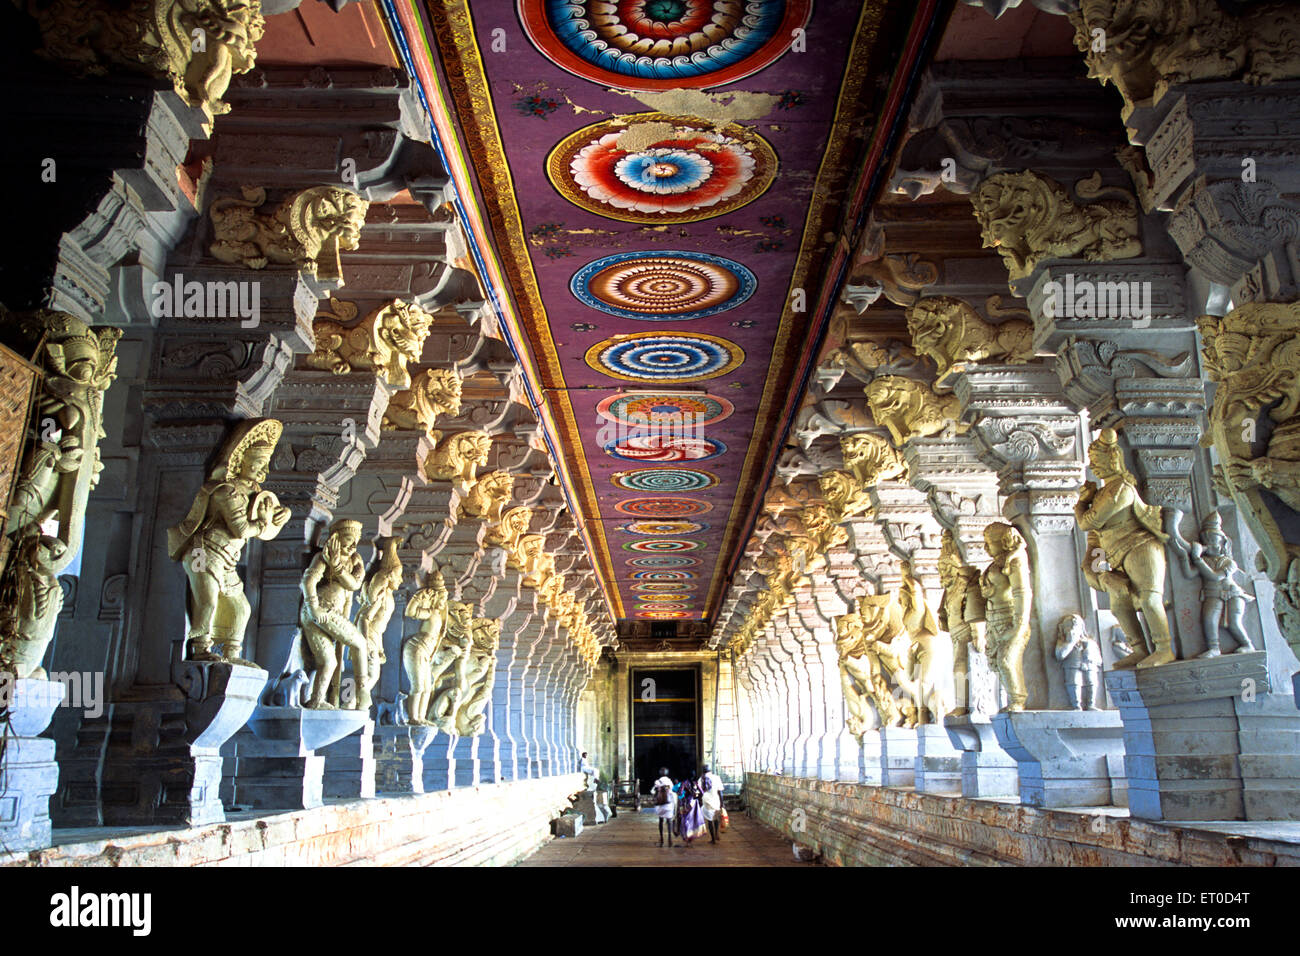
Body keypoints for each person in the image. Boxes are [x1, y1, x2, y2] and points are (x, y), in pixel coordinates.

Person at [676, 770, 707, 846]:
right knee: (693, 819)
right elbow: (702, 792)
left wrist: (683, 797)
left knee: (686, 819)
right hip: (694, 803)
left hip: (687, 803)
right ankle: (690, 839)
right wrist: (696, 796)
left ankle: (686, 838)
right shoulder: (695, 783)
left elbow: (679, 792)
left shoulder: (684, 782)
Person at [697, 765, 724, 844]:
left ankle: (713, 839)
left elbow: (699, 793)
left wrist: (699, 802)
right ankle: (716, 833)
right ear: (710, 770)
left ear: (703, 771)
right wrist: (722, 803)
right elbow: (720, 792)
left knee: (709, 820)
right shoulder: (716, 778)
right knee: (715, 817)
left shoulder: (701, 779)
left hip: (707, 801)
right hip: (716, 800)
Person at [652, 767, 676, 847]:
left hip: (660, 805)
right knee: (669, 821)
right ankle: (669, 838)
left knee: (660, 821)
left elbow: (652, 792)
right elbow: (672, 792)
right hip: (668, 804)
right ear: (667, 773)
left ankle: (661, 839)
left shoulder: (657, 782)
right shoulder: (669, 782)